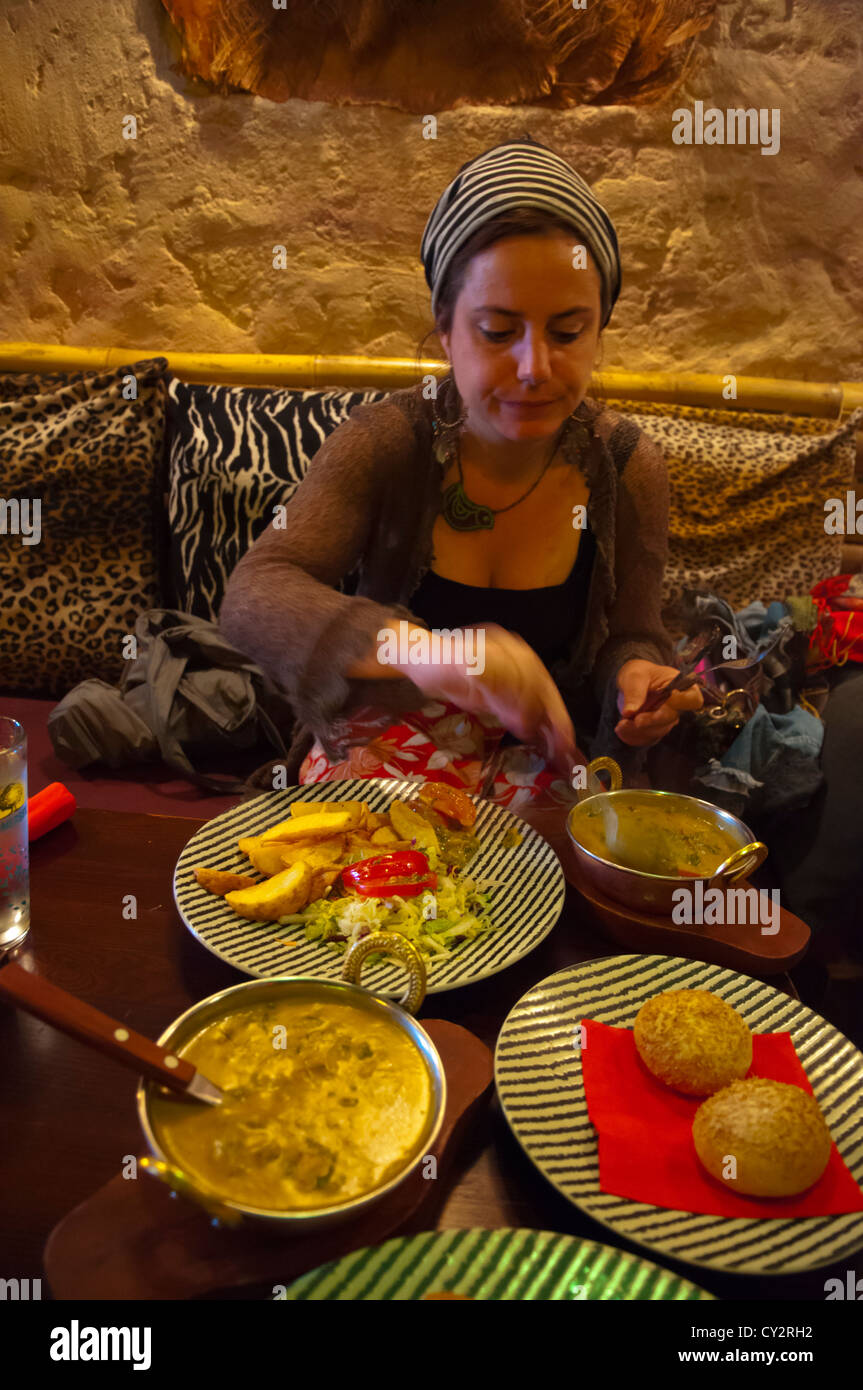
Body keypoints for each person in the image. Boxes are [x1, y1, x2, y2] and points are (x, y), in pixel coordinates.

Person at [219, 138, 701, 811]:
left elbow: (632, 633)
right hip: (386, 750)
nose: (534, 367)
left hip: (543, 759)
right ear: (445, 330)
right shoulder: (388, 443)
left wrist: (640, 676)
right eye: (498, 331)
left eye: (566, 332)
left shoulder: (627, 468)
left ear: (599, 330)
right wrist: (430, 656)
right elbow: (252, 594)